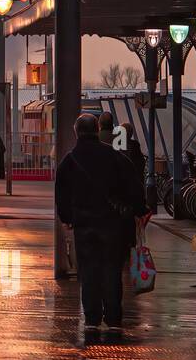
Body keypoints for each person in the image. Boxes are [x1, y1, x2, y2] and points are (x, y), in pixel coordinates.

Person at [55, 114, 146, 333]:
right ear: (97, 129)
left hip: (84, 223)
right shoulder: (115, 157)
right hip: (112, 223)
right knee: (112, 269)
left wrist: (67, 218)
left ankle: (92, 318)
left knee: (88, 270)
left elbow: (61, 192)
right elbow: (134, 185)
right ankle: (113, 318)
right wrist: (139, 210)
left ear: (76, 131)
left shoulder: (70, 159)